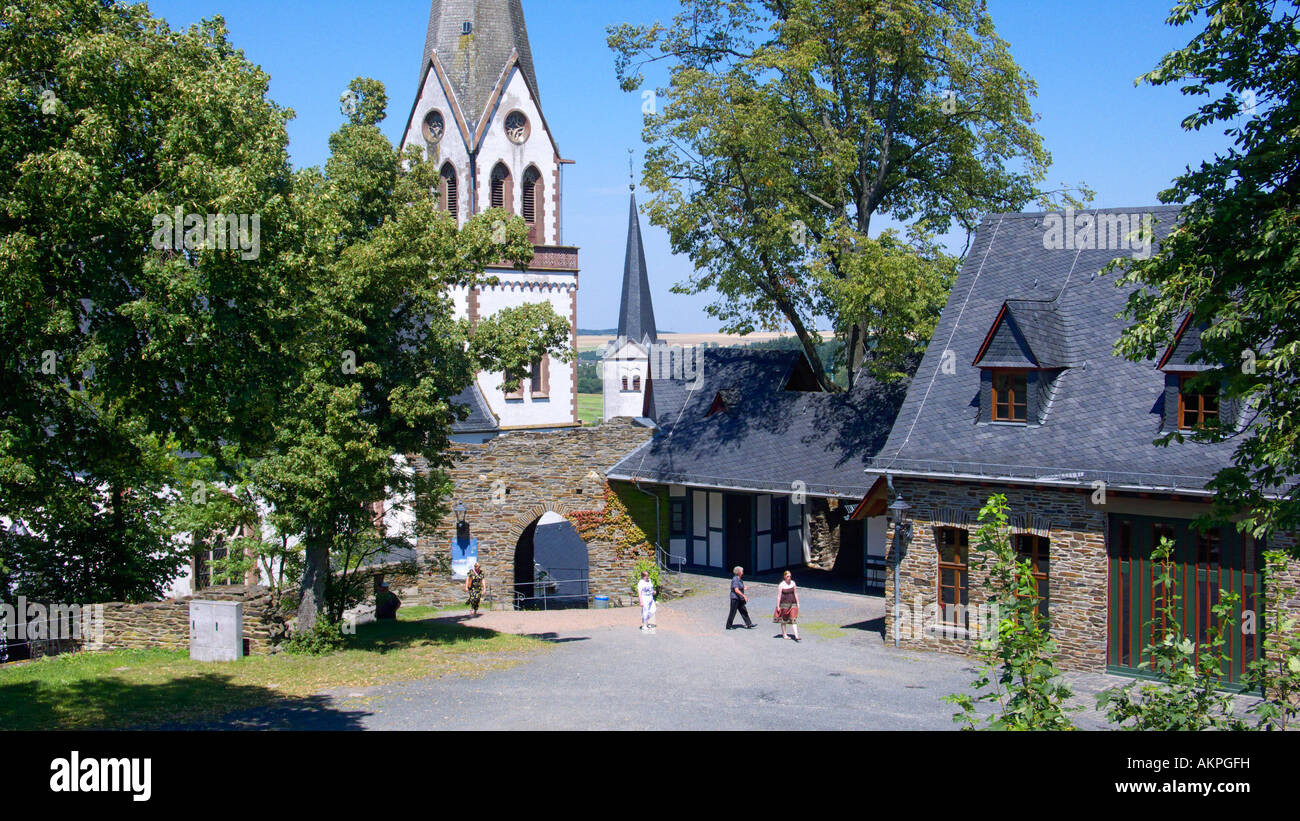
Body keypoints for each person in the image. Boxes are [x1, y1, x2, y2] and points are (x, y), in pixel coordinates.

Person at [773, 570, 800, 642]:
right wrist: (778, 606)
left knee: (793, 618)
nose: (789, 578)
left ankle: (796, 635)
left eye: (790, 576)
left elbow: (795, 593)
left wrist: (798, 603)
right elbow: (779, 596)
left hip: (792, 603)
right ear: (784, 577)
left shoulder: (793, 583)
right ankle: (784, 634)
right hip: (784, 604)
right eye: (787, 576)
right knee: (784, 620)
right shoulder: (781, 585)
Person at [725, 566, 756, 630]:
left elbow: (739, 587)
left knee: (743, 610)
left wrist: (743, 588)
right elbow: (736, 590)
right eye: (742, 571)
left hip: (739, 598)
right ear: (739, 572)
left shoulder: (740, 579)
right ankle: (728, 626)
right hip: (735, 598)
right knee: (733, 612)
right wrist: (744, 596)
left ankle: (749, 623)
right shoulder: (735, 579)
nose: (743, 572)